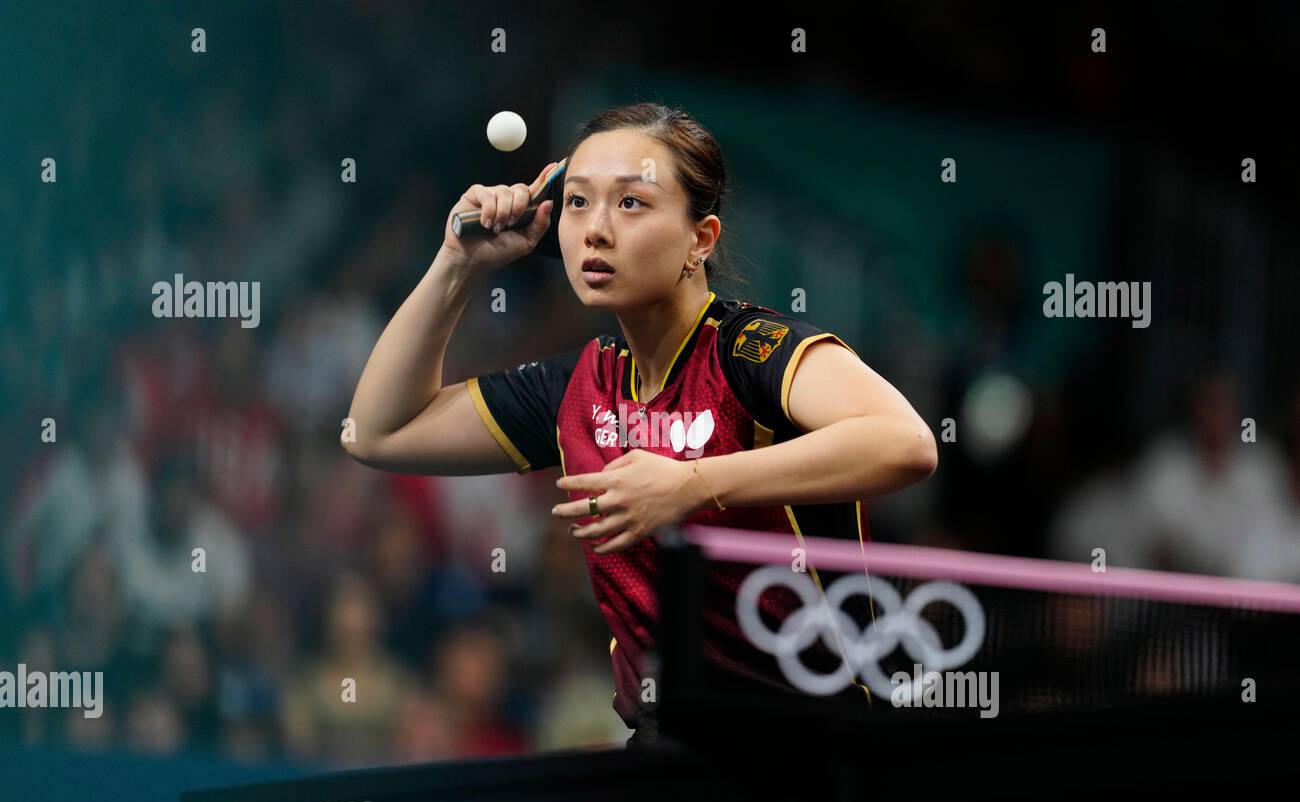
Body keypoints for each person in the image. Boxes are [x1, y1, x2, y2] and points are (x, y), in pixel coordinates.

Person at [342, 103, 937, 745]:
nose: (595, 229)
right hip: (665, 750)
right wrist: (457, 265)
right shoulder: (576, 388)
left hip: (813, 746)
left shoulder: (756, 352)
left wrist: (691, 484)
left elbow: (904, 441)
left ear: (700, 239)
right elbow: (378, 433)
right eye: (577, 203)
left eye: (631, 203)